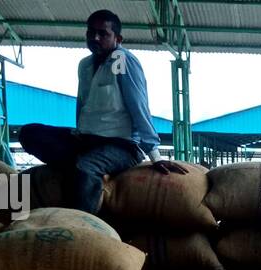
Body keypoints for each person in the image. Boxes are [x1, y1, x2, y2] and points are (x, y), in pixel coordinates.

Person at [18, 9, 187, 214]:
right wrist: (79, 134)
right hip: (87, 140)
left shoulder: (120, 60)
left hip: (122, 145)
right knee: (29, 133)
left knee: (84, 168)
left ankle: (84, 222)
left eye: (103, 34)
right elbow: (82, 105)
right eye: (91, 33)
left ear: (118, 38)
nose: (95, 38)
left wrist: (155, 155)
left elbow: (139, 107)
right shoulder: (85, 65)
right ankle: (77, 170)